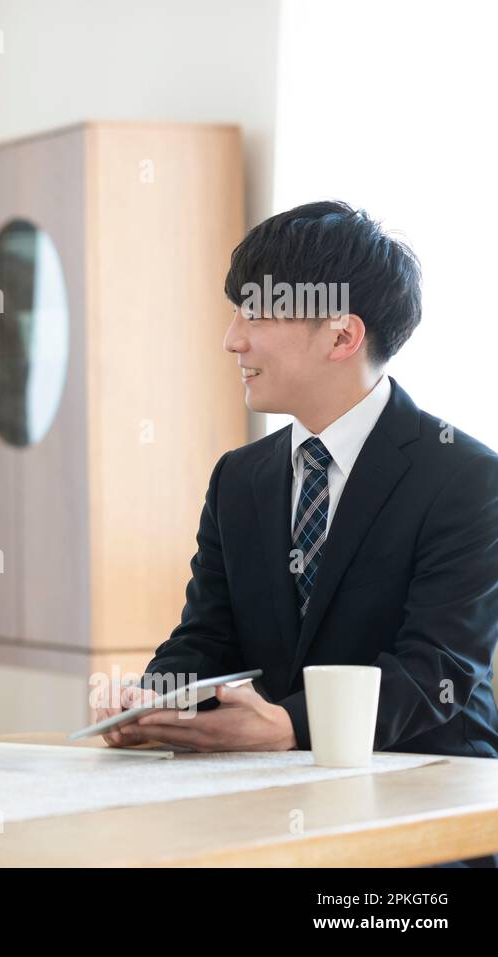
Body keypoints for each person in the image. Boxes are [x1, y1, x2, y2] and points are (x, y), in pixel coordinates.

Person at [96, 201, 498, 775]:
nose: (232, 340)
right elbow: (208, 637)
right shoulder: (239, 476)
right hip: (270, 785)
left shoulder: (467, 478)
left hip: (429, 790)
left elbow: (437, 673)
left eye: (255, 316)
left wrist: (291, 728)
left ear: (342, 336)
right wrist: (156, 700)